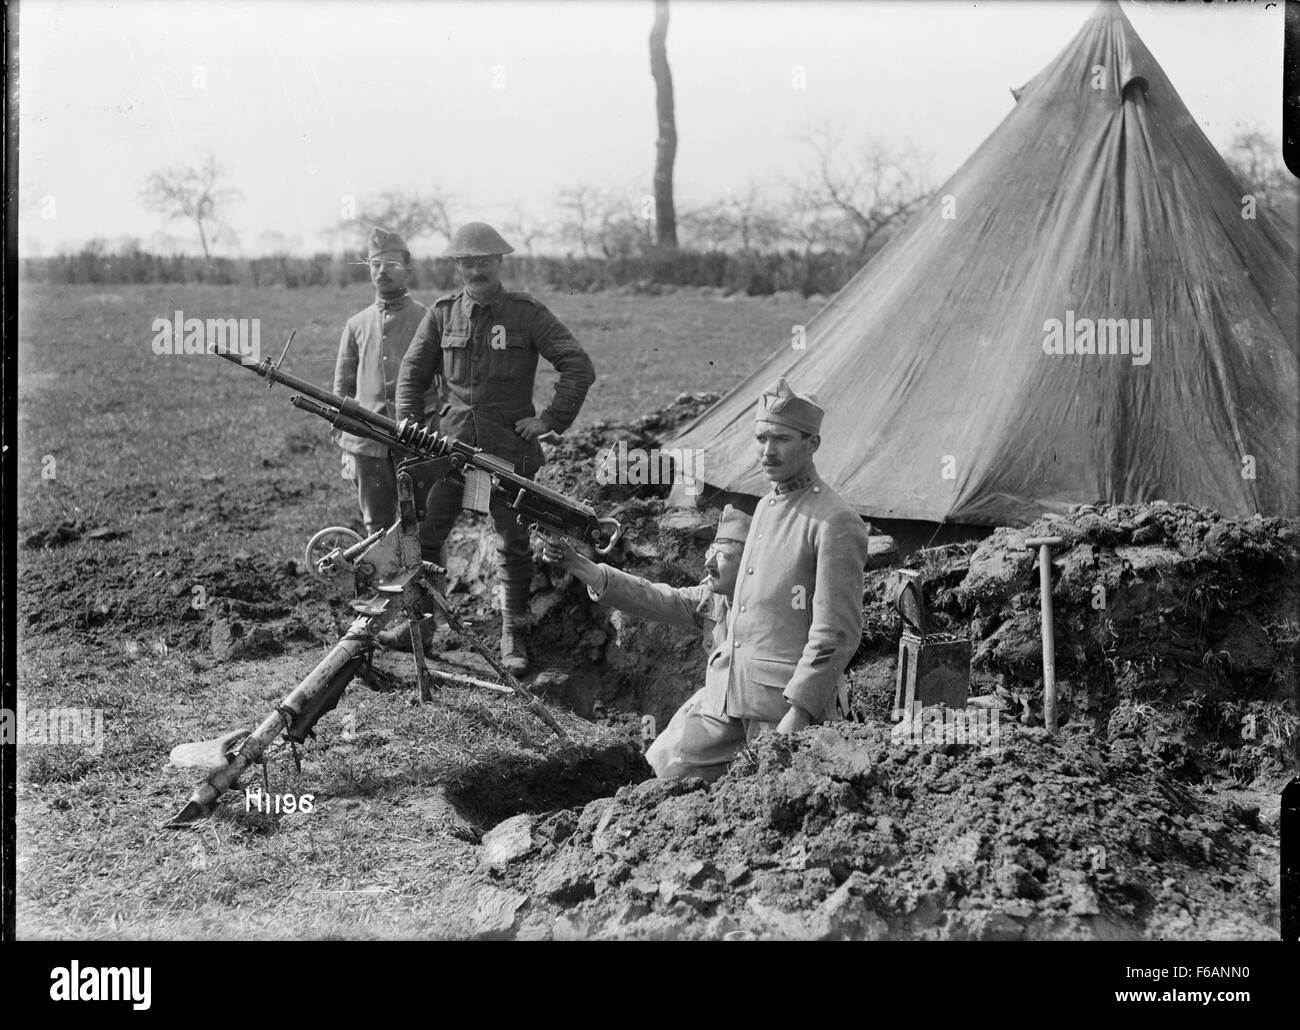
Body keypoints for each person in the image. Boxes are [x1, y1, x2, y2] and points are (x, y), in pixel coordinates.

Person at [625, 378, 869, 780]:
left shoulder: (835, 522)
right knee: (659, 773)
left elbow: (836, 633)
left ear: (812, 445)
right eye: (761, 437)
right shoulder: (765, 507)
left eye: (781, 439)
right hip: (728, 701)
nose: (767, 451)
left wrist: (800, 712)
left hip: (781, 712)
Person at [394, 222, 595, 672]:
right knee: (427, 536)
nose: (475, 270)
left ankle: (512, 635)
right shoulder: (443, 314)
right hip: (450, 450)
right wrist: (412, 425)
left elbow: (577, 367)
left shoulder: (527, 314)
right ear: (457, 267)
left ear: (499, 263)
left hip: (508, 450)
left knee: (514, 542)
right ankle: (422, 625)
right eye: (466, 262)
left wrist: (549, 420)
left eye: (483, 261)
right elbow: (411, 375)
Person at [542, 503, 751, 668]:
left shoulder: (771, 611)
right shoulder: (710, 599)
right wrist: (575, 563)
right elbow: (652, 598)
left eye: (721, 555)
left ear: (748, 565)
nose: (708, 563)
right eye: (710, 552)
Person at [333, 227, 441, 539]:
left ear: (406, 268)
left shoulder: (428, 319)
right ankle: (385, 587)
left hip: (419, 439)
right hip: (368, 443)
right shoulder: (356, 325)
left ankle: (427, 587)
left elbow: (446, 384)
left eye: (391, 264)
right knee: (376, 527)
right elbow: (341, 391)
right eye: (375, 264)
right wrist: (347, 445)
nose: (382, 272)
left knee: (425, 525)